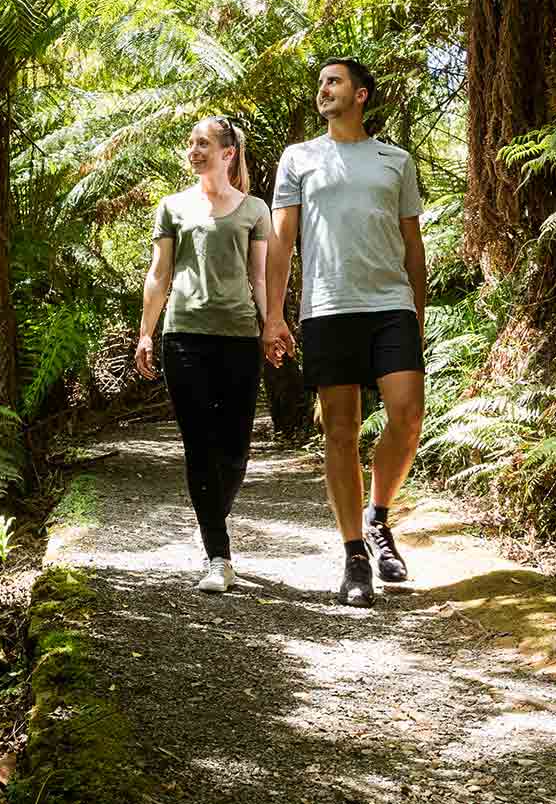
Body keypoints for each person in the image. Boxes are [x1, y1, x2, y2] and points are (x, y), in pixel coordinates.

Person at [263, 59, 426, 607]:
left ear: (361, 95)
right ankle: (356, 552)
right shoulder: (298, 159)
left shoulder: (395, 161)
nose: (323, 91)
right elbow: (283, 242)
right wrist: (274, 314)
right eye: (319, 84)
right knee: (341, 430)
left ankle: (379, 515)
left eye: (333, 82)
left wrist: (416, 312)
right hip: (328, 307)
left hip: (391, 305)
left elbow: (412, 244)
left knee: (407, 416)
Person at [136, 116, 273, 593]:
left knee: (235, 450)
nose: (194, 151)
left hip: (238, 336)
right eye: (190, 143)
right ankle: (219, 554)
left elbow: (260, 277)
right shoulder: (173, 207)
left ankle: (209, 515)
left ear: (228, 153)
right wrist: (146, 331)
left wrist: (272, 322)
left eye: (203, 144)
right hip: (184, 337)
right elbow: (159, 272)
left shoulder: (255, 209)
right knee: (199, 445)